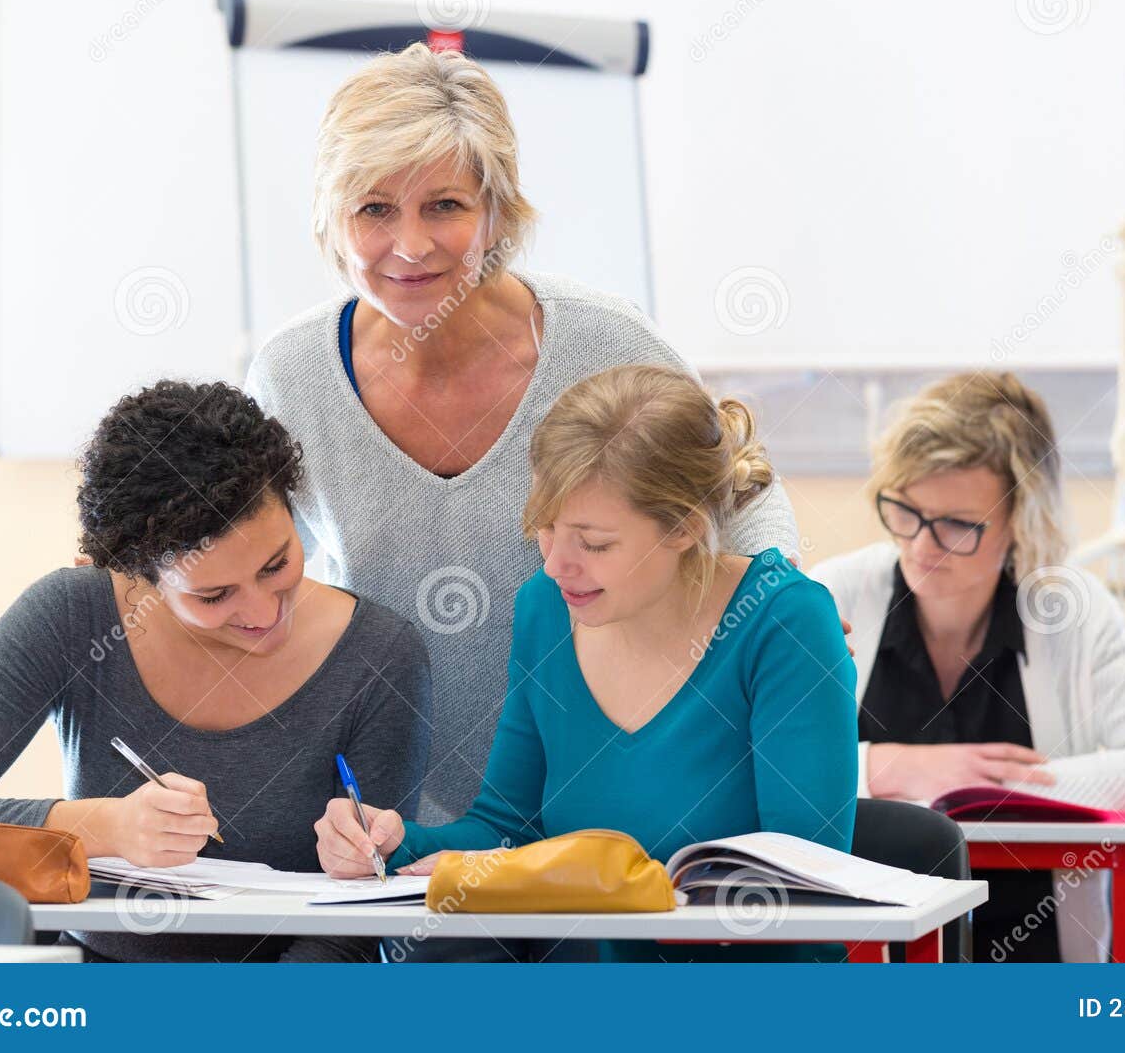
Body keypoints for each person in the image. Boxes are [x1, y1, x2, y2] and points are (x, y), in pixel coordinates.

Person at [244, 42, 799, 850]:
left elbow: (740, 491)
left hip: (609, 798)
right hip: (395, 821)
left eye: (444, 206)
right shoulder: (291, 375)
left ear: (498, 213)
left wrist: (777, 605)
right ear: (333, 221)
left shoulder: (604, 342)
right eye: (373, 210)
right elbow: (254, 562)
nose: (410, 245)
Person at [0, 380, 431, 961]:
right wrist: (105, 826)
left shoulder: (380, 656)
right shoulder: (72, 615)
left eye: (276, 564)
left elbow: (357, 925)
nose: (262, 612)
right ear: (139, 576)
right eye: (214, 595)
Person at [311, 365, 857, 962]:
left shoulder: (785, 621)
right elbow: (506, 827)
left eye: (594, 544)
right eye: (545, 529)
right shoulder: (546, 607)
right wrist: (390, 842)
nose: (554, 565)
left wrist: (532, 873)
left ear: (684, 528)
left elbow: (802, 888)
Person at [808, 371, 1125, 963]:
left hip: (1038, 963)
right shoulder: (837, 594)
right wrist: (889, 766)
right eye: (907, 511)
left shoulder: (1071, 611)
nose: (921, 545)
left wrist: (993, 790)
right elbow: (747, 773)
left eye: (957, 525)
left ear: (1021, 522)